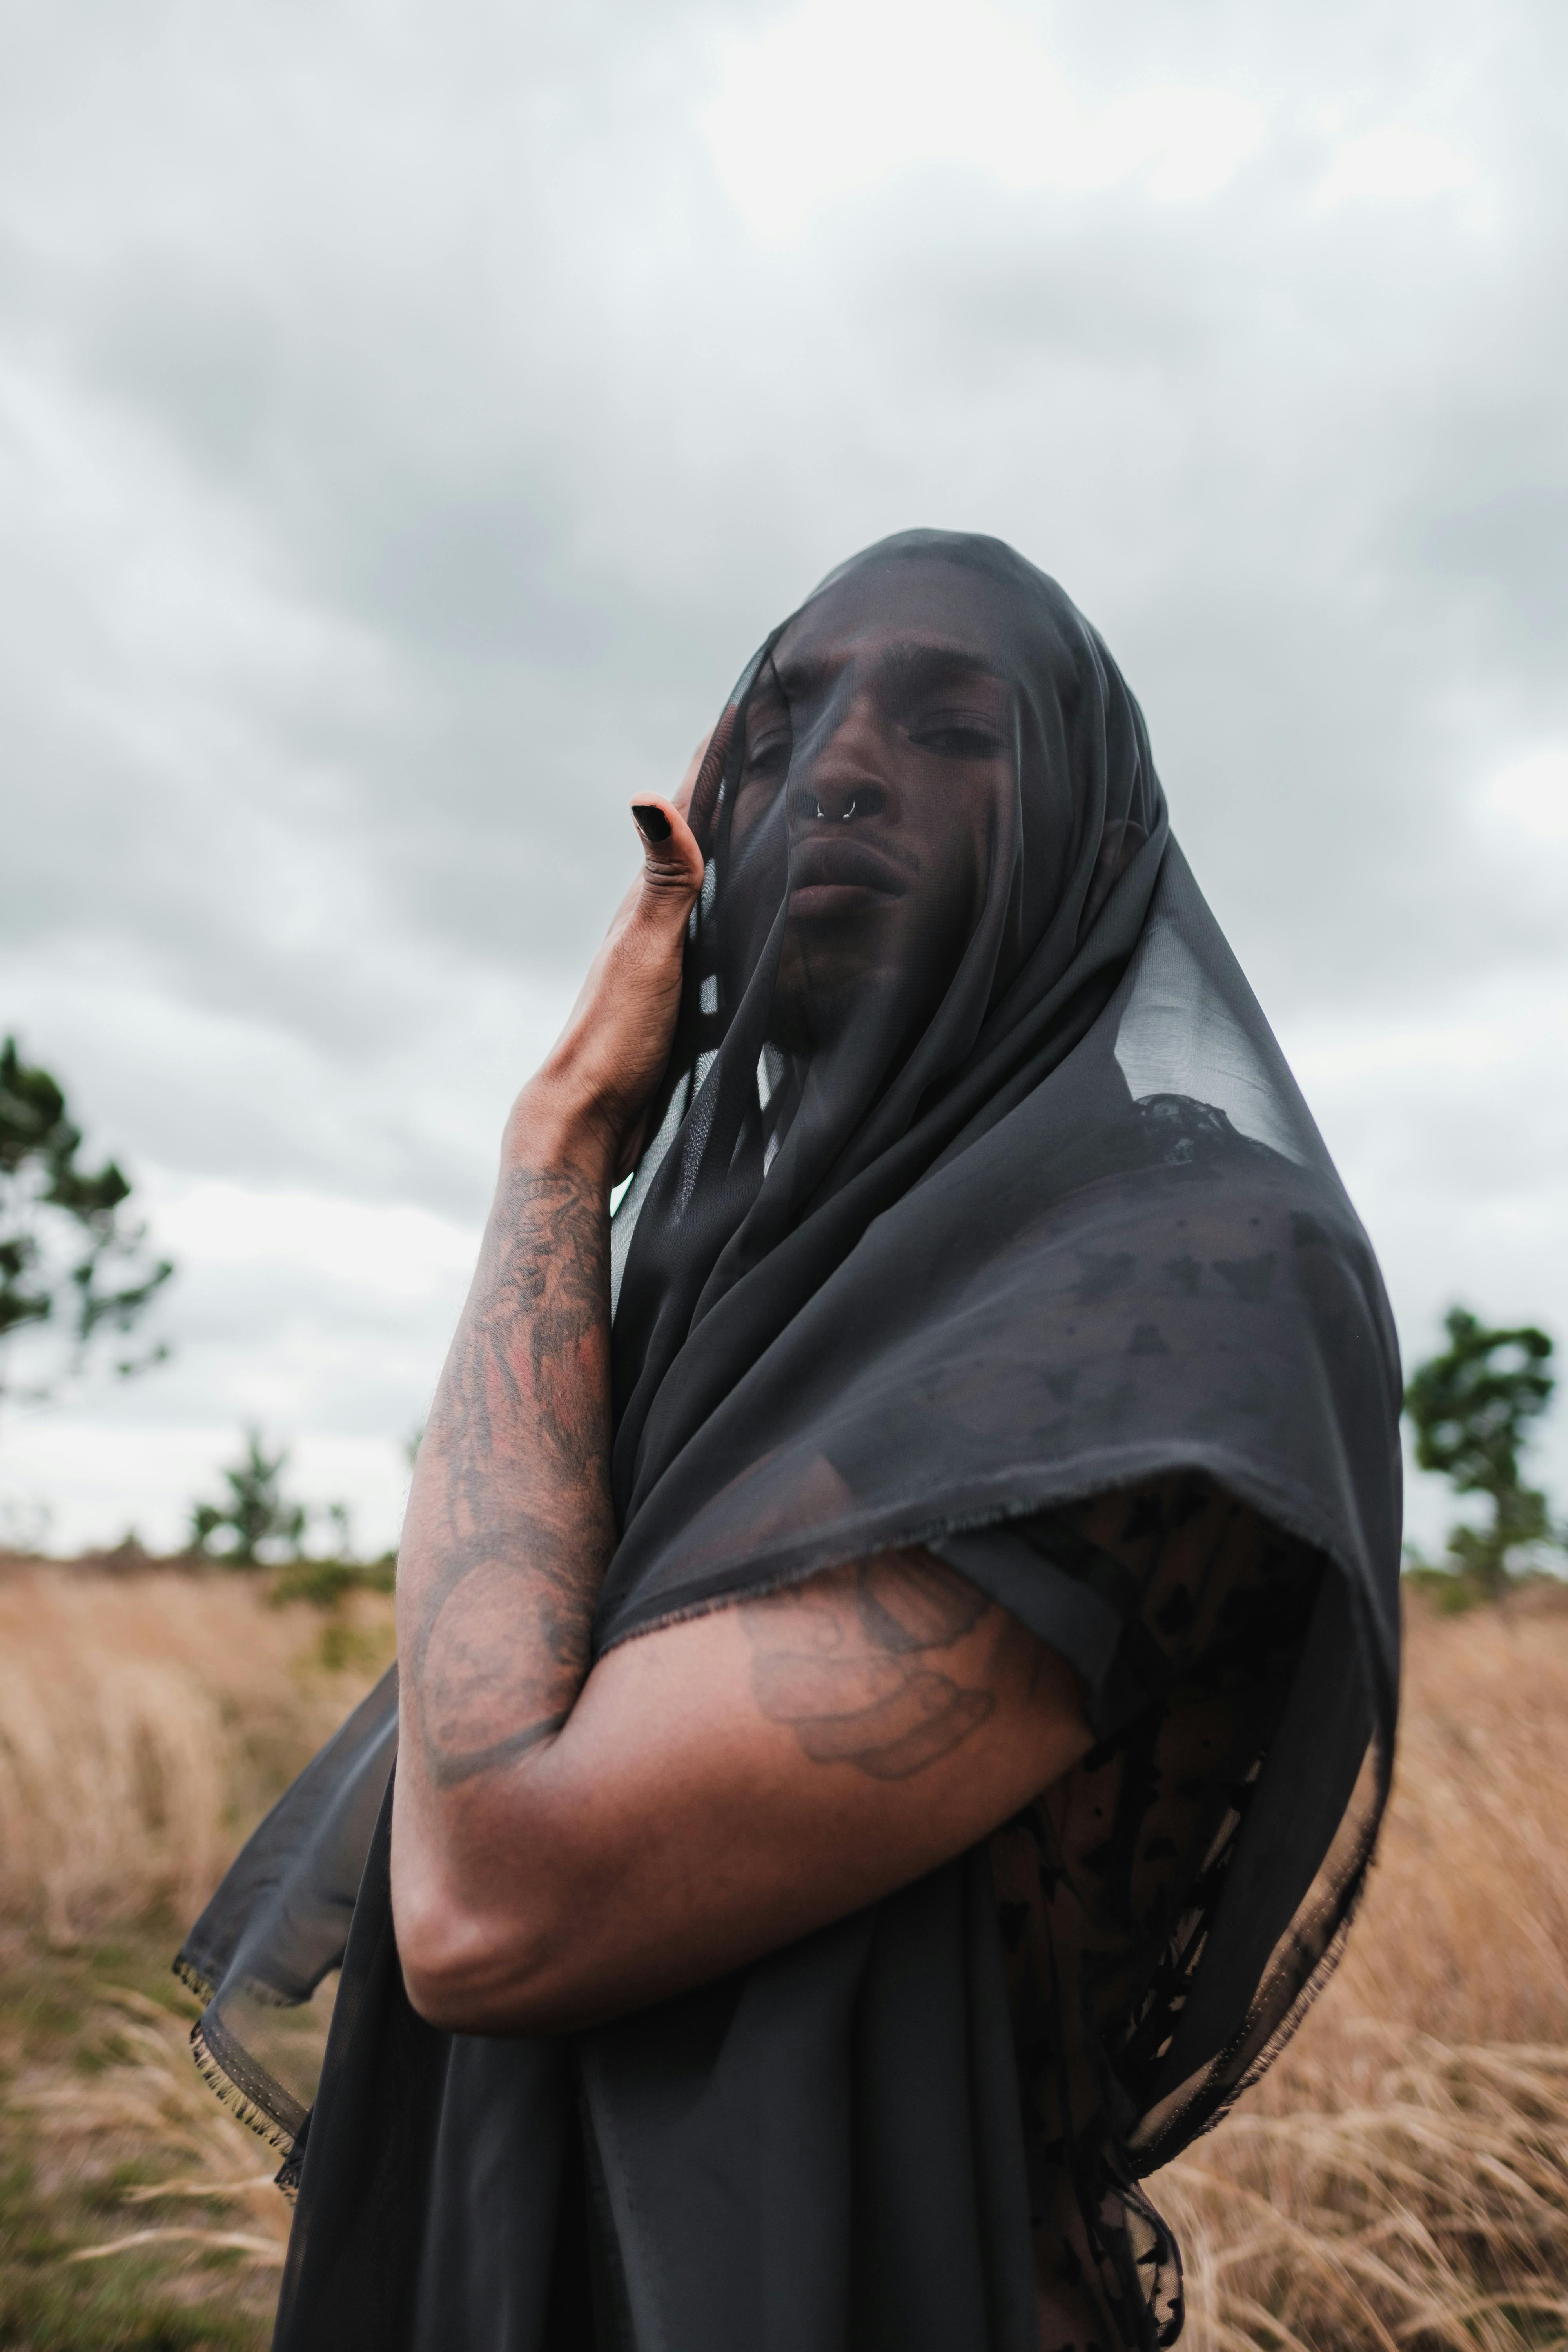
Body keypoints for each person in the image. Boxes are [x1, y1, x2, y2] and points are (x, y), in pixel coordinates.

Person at [178, 530, 1402, 2352]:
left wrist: (554, 1142)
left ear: (1077, 841)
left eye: (949, 724)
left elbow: (495, 1898)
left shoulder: (1182, 1281)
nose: (838, 763)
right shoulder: (700, 1298)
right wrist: (582, 1177)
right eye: (779, 727)